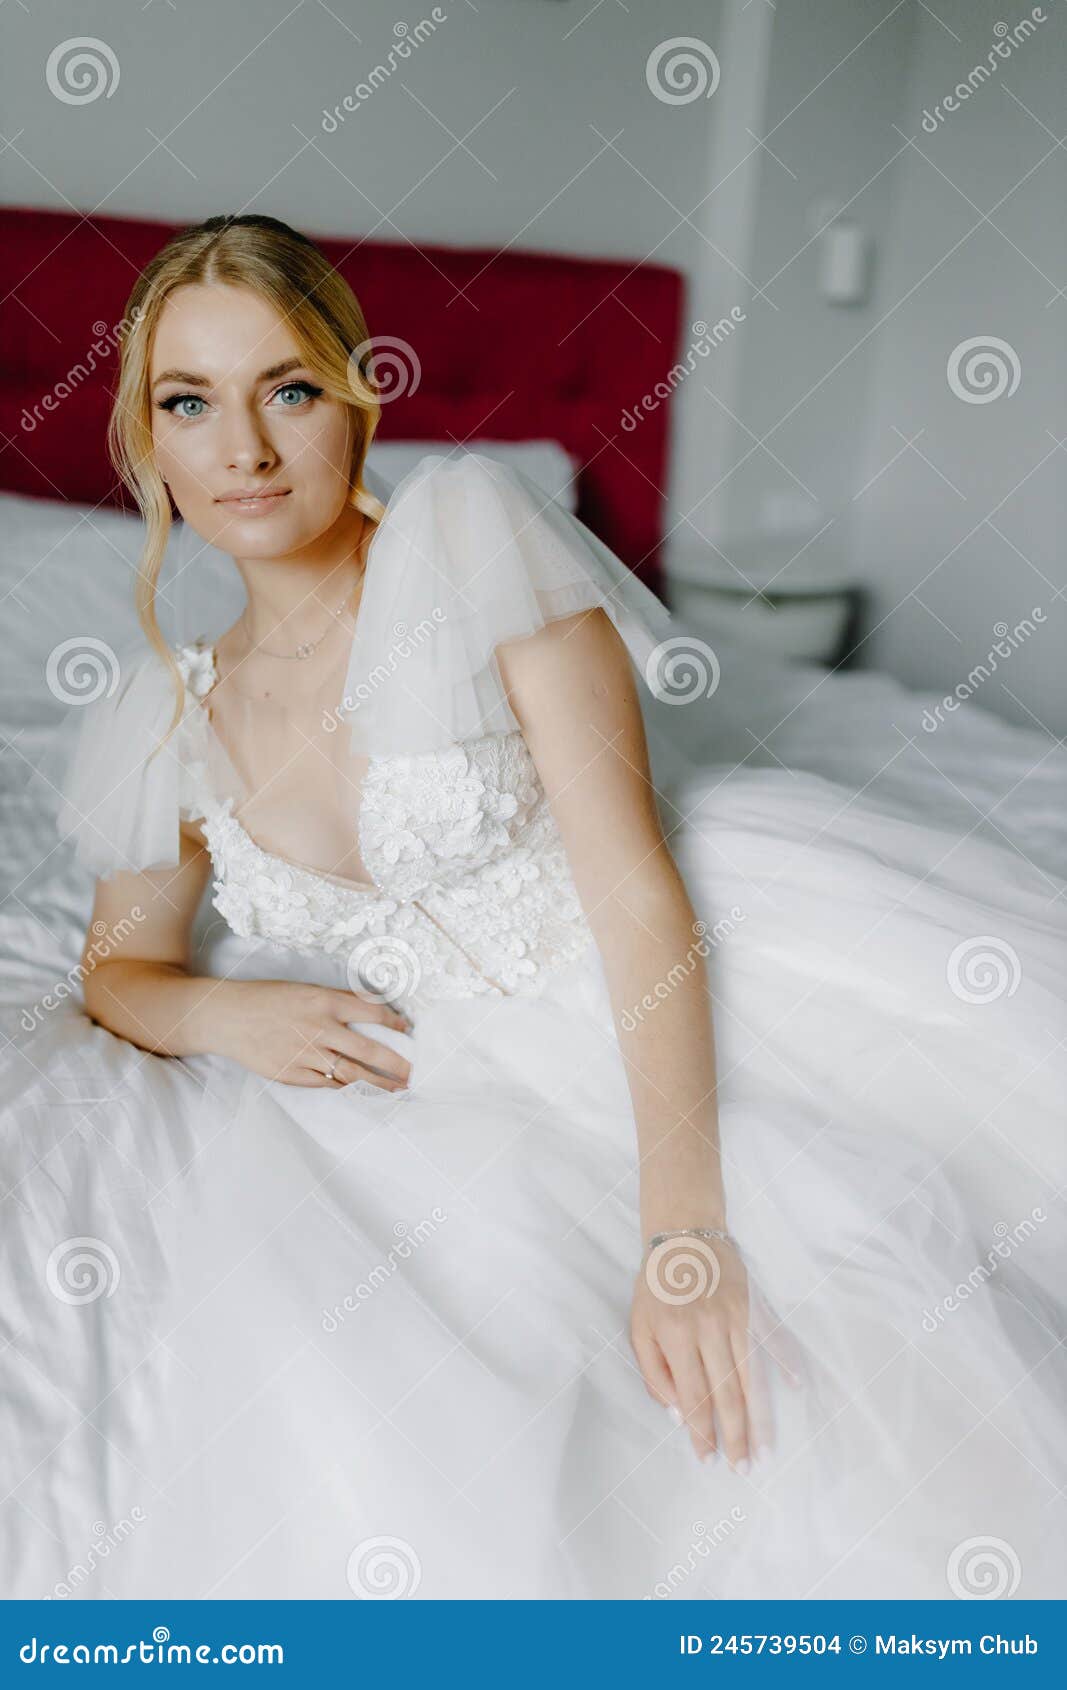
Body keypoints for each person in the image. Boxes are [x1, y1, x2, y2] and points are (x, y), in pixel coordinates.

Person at [32, 214, 1065, 1601]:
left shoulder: (471, 550)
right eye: (188, 402)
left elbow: (638, 890)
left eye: (286, 387)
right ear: (145, 438)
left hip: (652, 983)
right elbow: (119, 967)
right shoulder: (169, 708)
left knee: (876, 1357)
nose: (245, 448)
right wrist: (225, 1007)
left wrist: (683, 1232)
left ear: (358, 394)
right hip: (451, 1080)